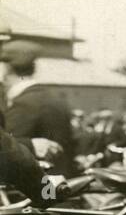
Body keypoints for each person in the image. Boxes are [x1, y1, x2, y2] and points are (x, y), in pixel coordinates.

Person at [0, 39, 75, 176]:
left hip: (34, 190)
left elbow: (6, 146)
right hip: (56, 185)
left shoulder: (25, 104)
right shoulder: (49, 97)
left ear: (7, 68)